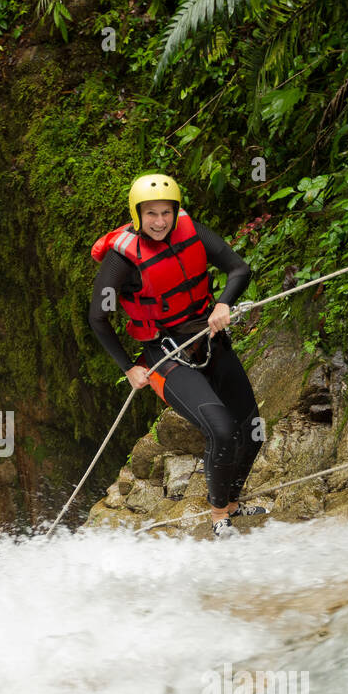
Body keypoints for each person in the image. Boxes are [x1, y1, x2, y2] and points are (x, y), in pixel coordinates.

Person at [87, 173, 266, 539]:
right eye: (150, 214)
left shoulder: (191, 231)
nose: (159, 222)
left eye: (166, 213)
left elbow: (239, 269)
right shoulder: (121, 261)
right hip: (162, 356)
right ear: (137, 215)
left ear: (175, 211)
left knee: (251, 430)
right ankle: (219, 518)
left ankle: (233, 504)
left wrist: (222, 304)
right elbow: (97, 317)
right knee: (221, 428)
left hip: (208, 339)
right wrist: (129, 368)